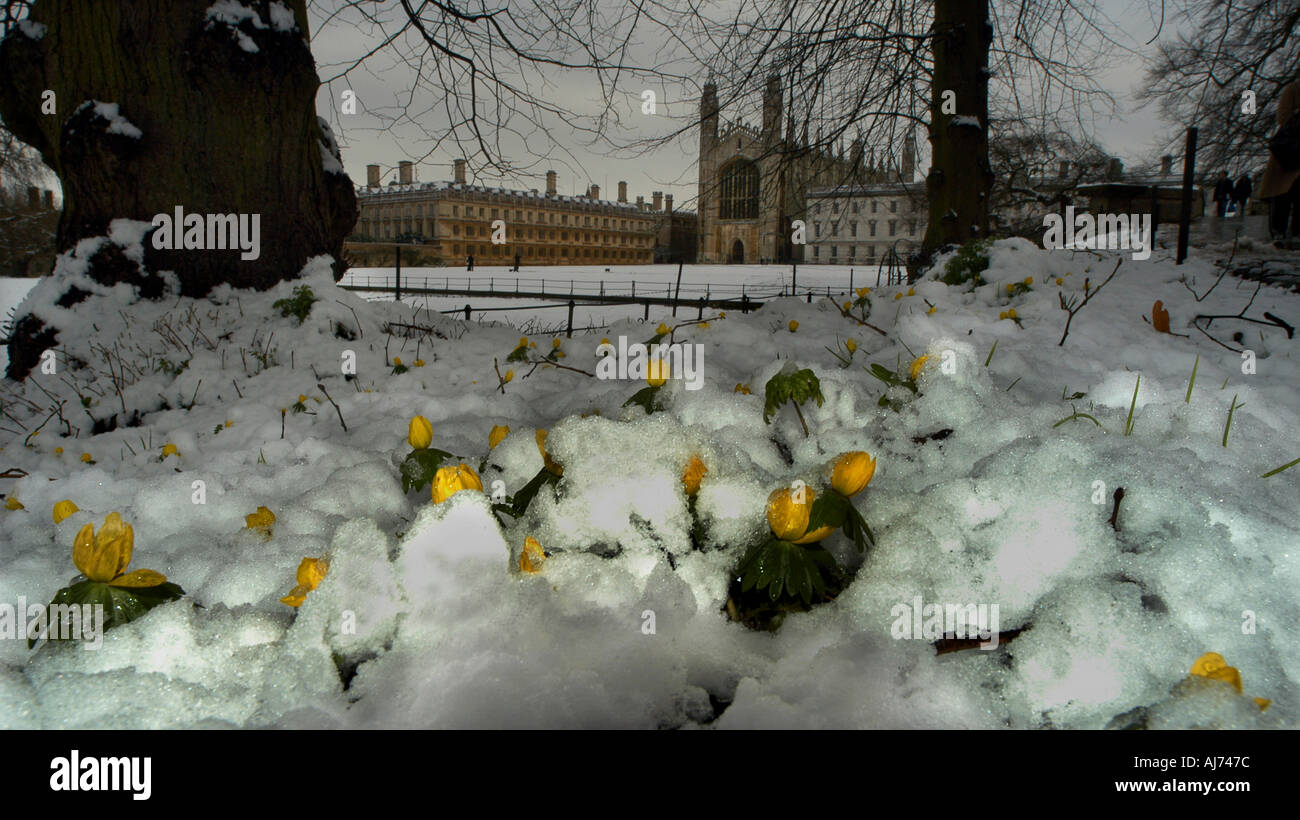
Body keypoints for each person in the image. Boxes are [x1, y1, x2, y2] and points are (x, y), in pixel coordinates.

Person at [1259, 77, 1300, 243]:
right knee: (1282, 195)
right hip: (1290, 152)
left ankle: (1297, 233)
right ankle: (1279, 233)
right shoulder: (1293, 89)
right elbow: (1283, 119)